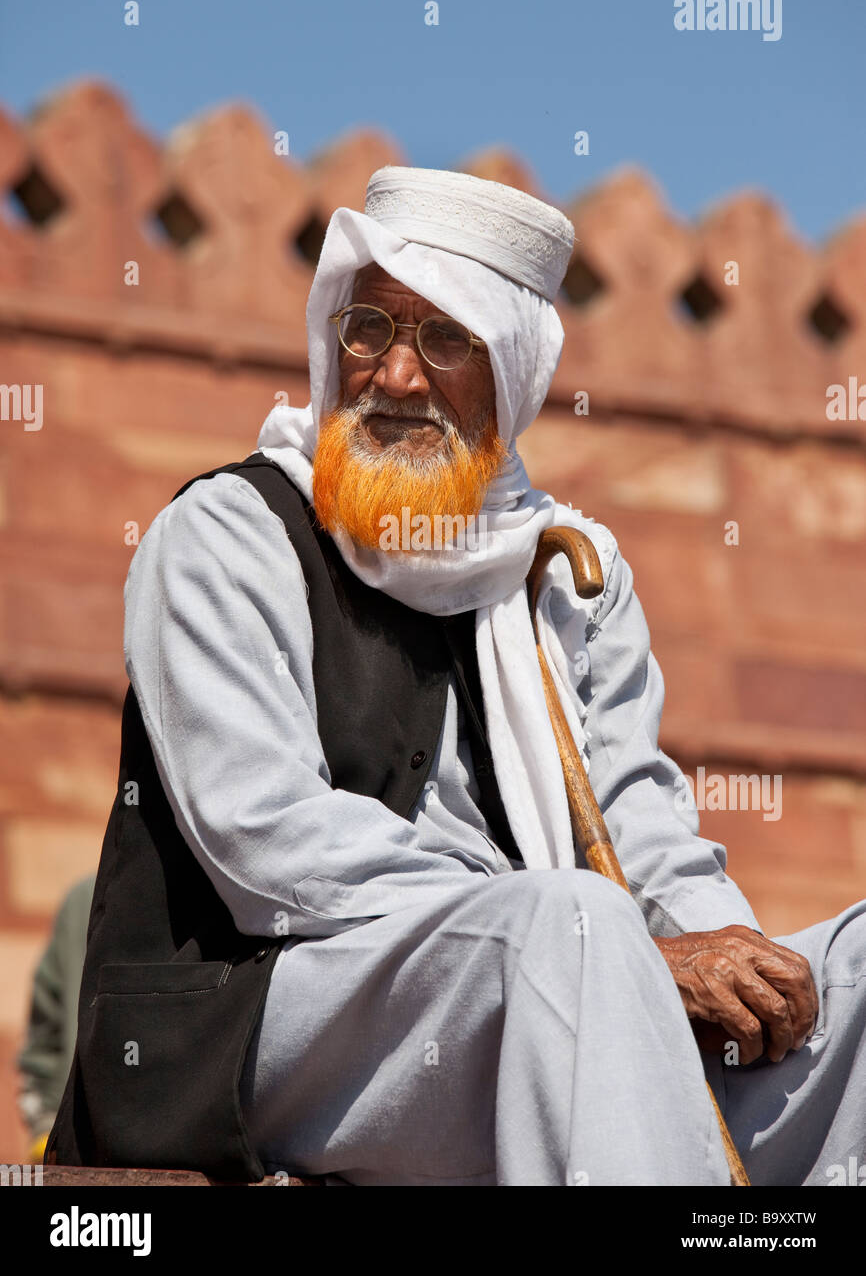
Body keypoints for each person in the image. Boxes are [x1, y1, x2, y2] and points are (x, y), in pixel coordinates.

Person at [48, 167, 865, 1186]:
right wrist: (610, 957)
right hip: (270, 1030)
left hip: (563, 995)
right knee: (573, 927)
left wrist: (723, 956)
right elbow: (267, 840)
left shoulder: (567, 572)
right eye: (369, 332)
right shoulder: (226, 536)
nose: (394, 376)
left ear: (511, 372)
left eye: (444, 341)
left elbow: (639, 825)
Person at [17, 873, 95, 1163]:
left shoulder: (228, 899)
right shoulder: (84, 902)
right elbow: (44, 1041)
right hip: (79, 1152)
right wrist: (46, 1131)